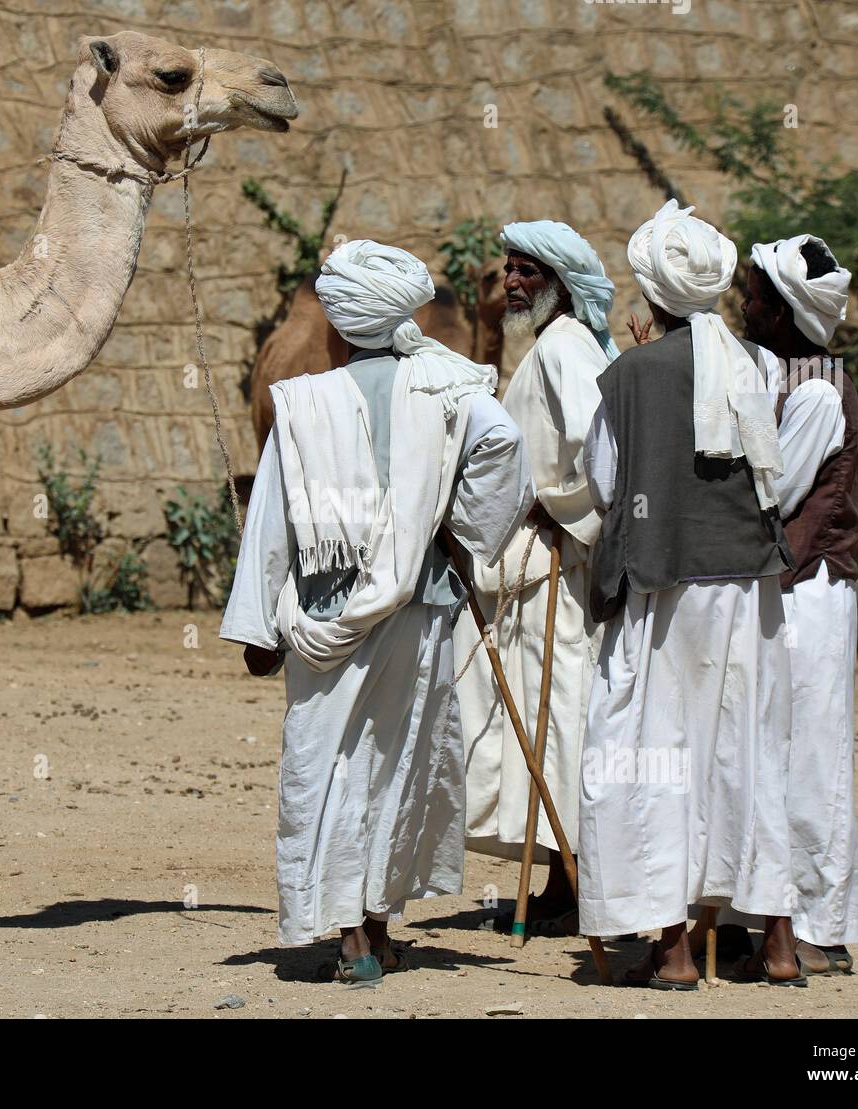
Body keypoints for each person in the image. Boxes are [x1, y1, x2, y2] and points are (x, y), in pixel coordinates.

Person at [220, 239, 533, 985]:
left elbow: (272, 521)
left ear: (337, 316)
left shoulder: (304, 403)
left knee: (329, 767)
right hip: (421, 609)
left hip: (325, 613)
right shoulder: (448, 390)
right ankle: (383, 928)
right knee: (400, 763)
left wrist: (260, 629)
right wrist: (459, 523)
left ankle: (353, 936)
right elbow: (506, 446)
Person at [579, 199, 803, 989]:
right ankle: (777, 943)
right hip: (749, 596)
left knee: (653, 757)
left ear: (650, 293)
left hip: (666, 595)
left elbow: (605, 481)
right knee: (748, 755)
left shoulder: (629, 374)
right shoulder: (763, 365)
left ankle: (673, 950)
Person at [455, 221, 616, 933]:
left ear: (560, 282)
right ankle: (560, 876)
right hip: (535, 564)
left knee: (560, 716)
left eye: (528, 271)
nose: (513, 282)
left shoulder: (565, 349)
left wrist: (561, 510)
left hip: (557, 565)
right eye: (510, 269)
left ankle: (576, 881)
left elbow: (598, 448)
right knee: (543, 717)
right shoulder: (554, 347)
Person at [743, 234, 858, 975]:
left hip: (811, 596)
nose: (746, 306)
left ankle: (820, 926)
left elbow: (773, 497)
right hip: (794, 594)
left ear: (785, 312)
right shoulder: (788, 374)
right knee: (773, 756)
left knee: (812, 760)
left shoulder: (817, 392)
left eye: (756, 296)